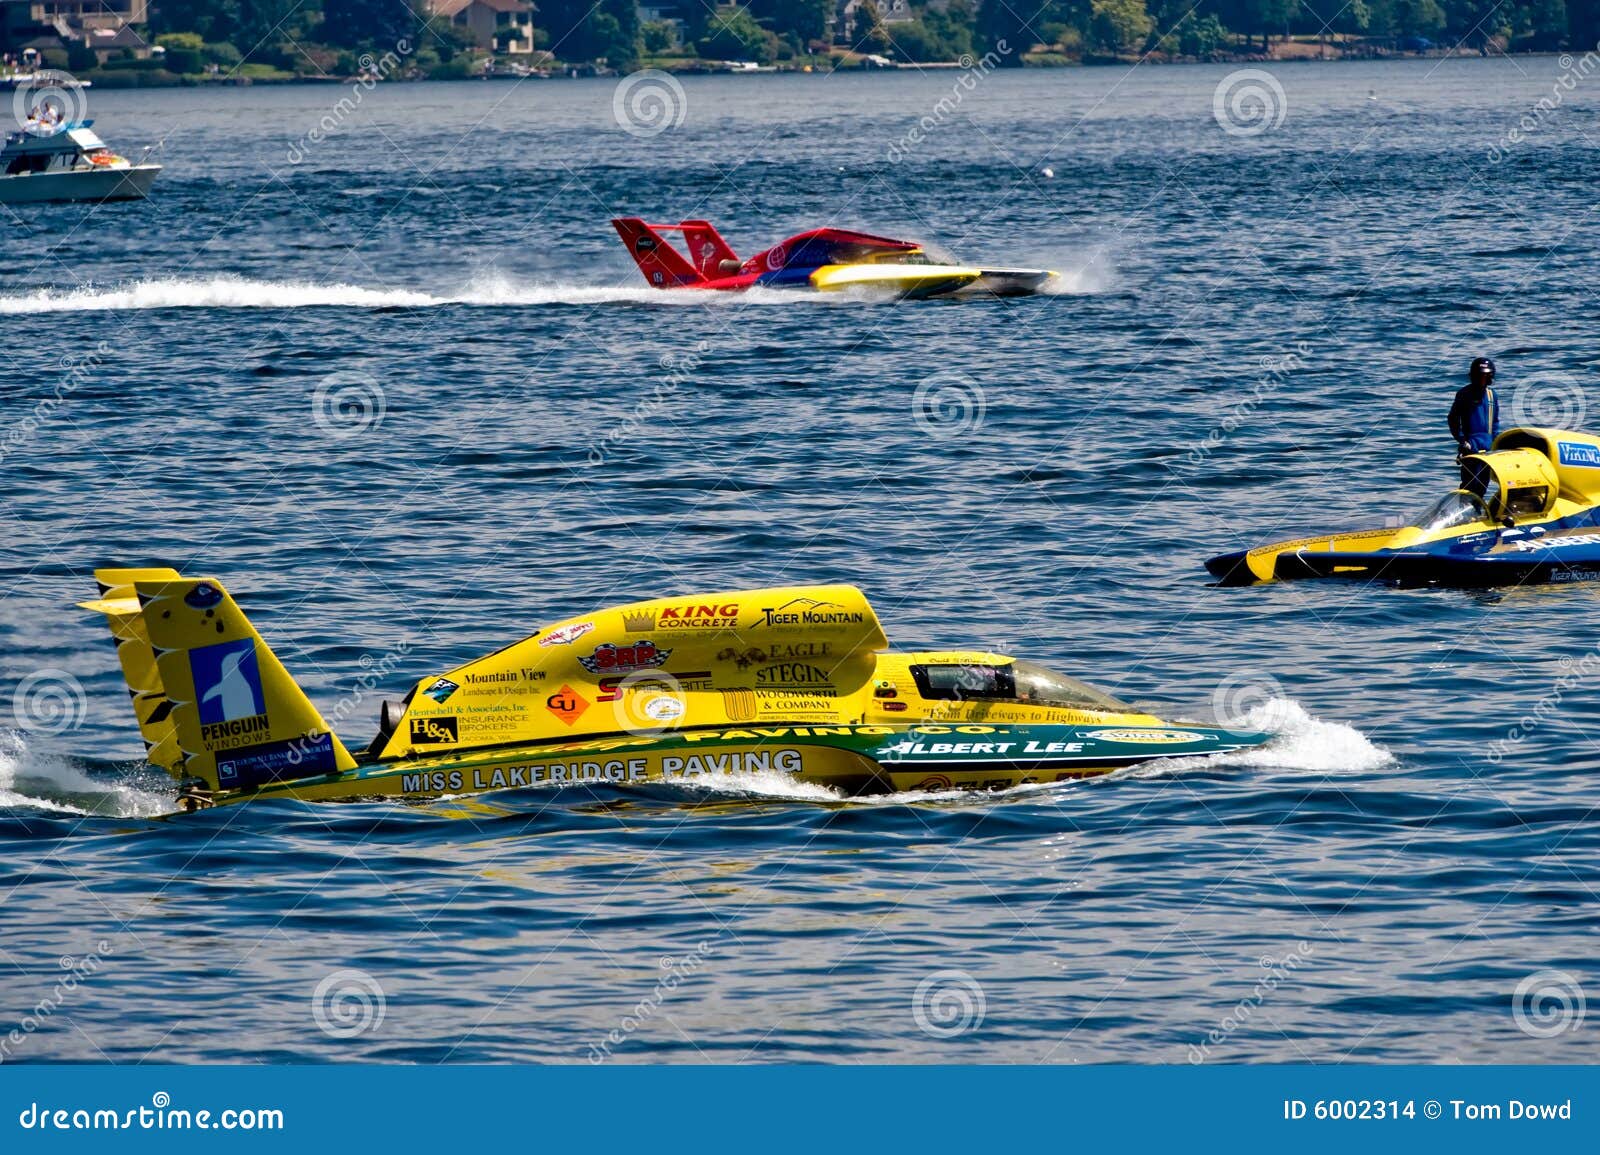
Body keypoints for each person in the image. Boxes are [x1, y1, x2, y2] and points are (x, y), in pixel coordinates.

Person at [1449, 357, 1499, 456]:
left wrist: (1496, 442)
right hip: (1470, 446)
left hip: (1489, 447)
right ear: (1474, 376)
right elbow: (1453, 419)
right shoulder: (1464, 394)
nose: (1483, 379)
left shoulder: (1492, 395)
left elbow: (1495, 422)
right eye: (1480, 376)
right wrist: (1462, 441)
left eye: (1486, 376)